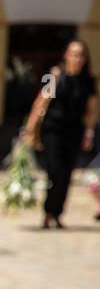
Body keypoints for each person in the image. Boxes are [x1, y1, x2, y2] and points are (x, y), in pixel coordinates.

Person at [24, 39, 97, 229]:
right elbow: (40, 102)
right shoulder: (54, 76)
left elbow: (90, 110)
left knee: (66, 175)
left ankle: (57, 214)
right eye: (73, 53)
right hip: (52, 131)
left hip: (74, 132)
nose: (77, 58)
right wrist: (30, 127)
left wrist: (89, 133)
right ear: (66, 55)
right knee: (54, 171)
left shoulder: (88, 81)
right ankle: (48, 211)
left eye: (81, 54)